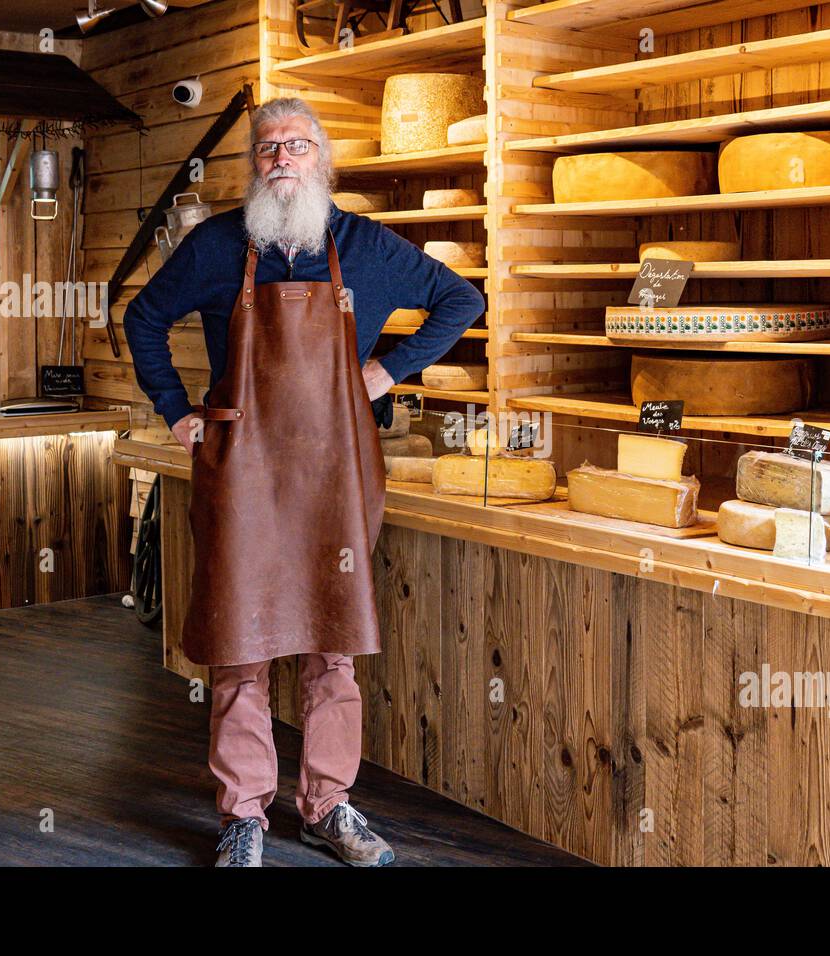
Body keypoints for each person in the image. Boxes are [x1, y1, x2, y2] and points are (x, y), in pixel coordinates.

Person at [124, 96, 485, 867]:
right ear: (254, 164)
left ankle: (327, 806)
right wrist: (174, 411)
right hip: (243, 476)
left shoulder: (370, 247)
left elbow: (464, 299)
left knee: (332, 647)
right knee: (238, 646)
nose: (281, 158)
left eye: (297, 145)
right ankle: (245, 816)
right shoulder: (218, 245)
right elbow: (143, 318)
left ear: (323, 159)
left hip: (336, 477)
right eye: (266, 147)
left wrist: (388, 370)